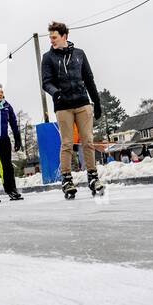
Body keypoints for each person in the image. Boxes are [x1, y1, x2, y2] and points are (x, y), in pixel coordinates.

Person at [39, 21, 104, 197]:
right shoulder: (48, 57)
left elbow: (89, 79)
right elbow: (46, 82)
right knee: (67, 143)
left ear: (64, 36)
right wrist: (55, 93)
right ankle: (67, 180)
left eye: (54, 37)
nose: (51, 40)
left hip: (83, 103)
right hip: (63, 106)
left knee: (88, 141)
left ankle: (93, 176)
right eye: (50, 37)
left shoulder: (79, 54)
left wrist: (96, 102)